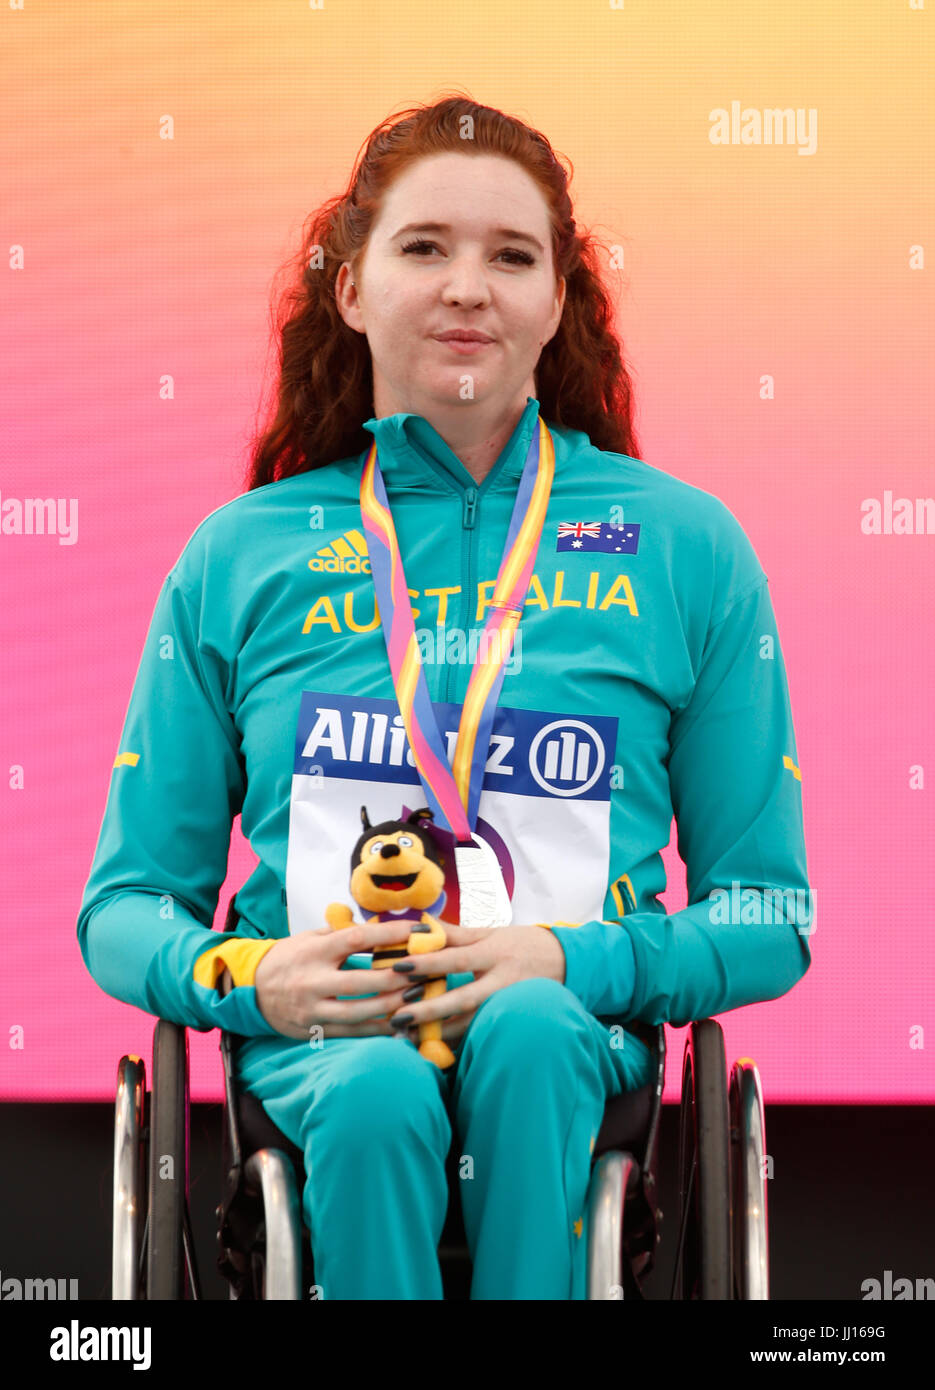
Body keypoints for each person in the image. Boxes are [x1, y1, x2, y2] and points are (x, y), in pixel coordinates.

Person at [76, 95, 813, 1301]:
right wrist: (255, 977)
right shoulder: (240, 555)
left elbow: (768, 911)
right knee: (367, 1083)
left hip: (571, 1045)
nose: (468, 287)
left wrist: (578, 961)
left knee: (526, 1031)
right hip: (321, 1053)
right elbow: (124, 908)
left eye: (511, 256)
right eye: (425, 247)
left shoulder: (683, 549)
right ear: (352, 290)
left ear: (556, 302)